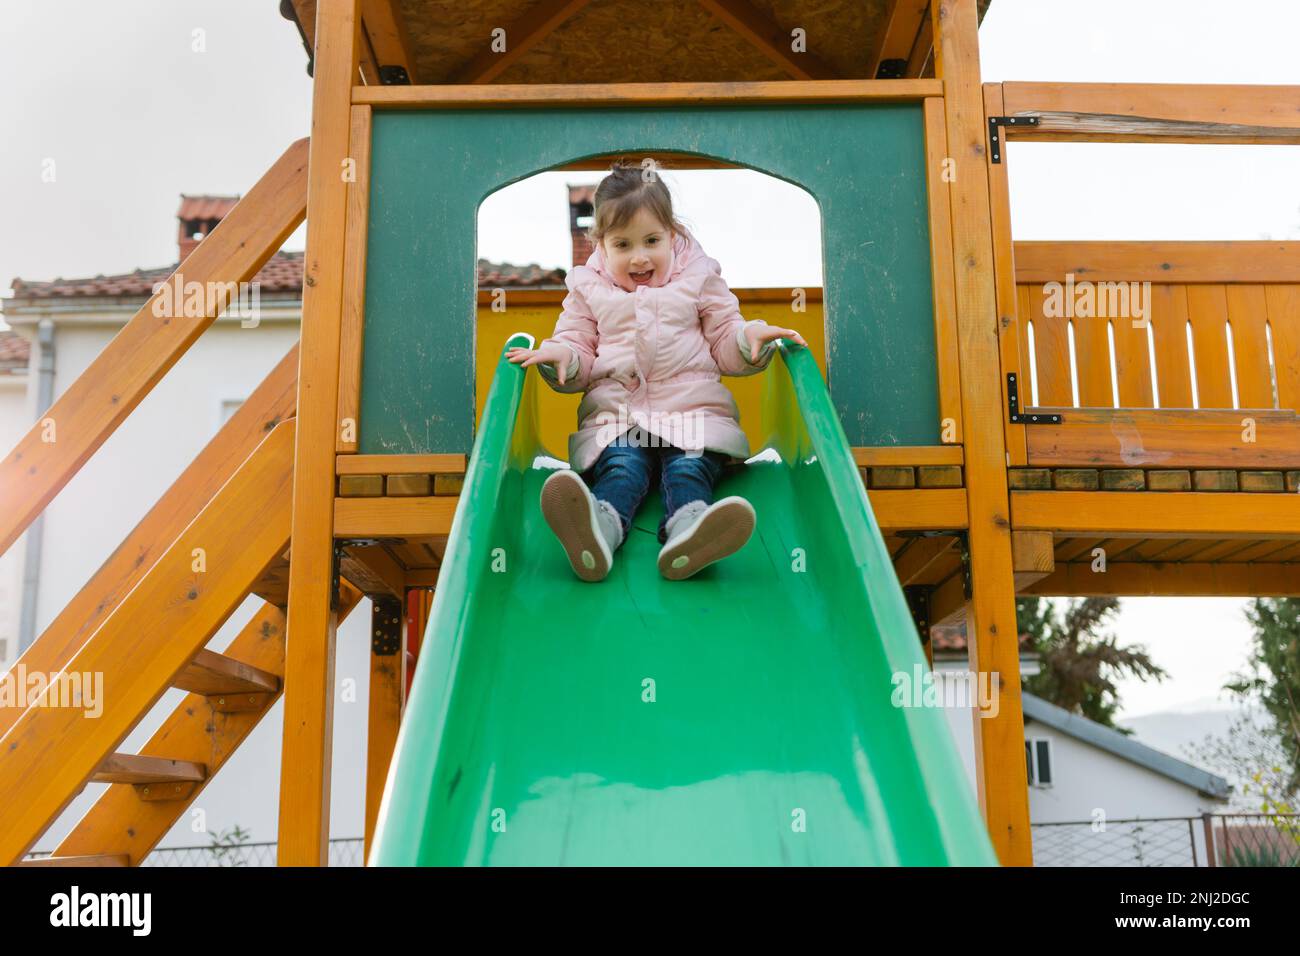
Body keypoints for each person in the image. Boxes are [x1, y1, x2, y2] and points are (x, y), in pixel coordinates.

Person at [507, 161, 805, 582]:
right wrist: (561, 358)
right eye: (623, 244)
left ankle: (690, 531)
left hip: (694, 416)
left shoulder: (698, 277)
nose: (640, 256)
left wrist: (748, 340)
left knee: (689, 466)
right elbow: (576, 344)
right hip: (618, 419)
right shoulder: (587, 289)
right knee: (622, 466)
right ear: (601, 246)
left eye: (651, 240)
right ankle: (598, 529)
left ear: (673, 233)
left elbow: (724, 334)